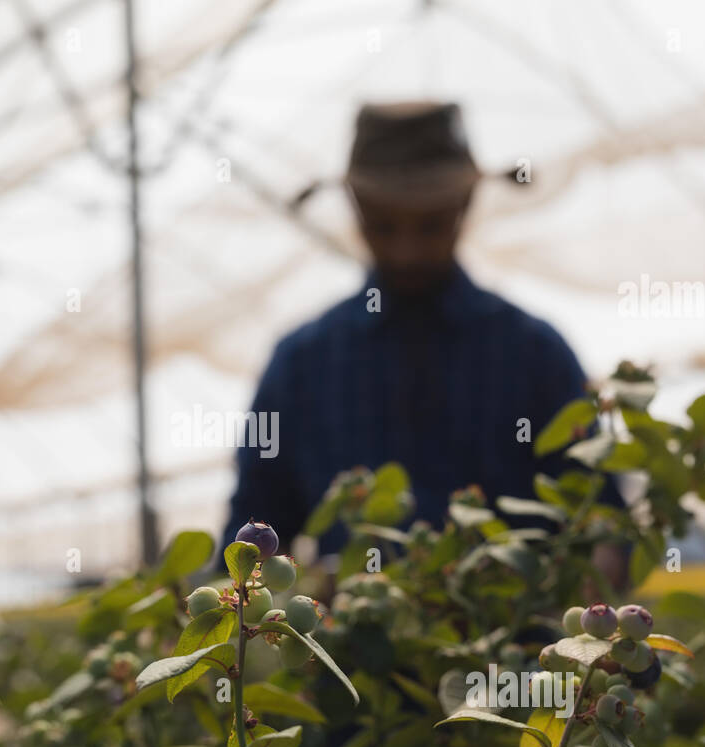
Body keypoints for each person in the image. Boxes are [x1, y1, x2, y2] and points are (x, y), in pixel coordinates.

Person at [222, 101, 623, 573]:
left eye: (430, 225)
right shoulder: (300, 366)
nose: (406, 251)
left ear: (465, 206)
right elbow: (251, 539)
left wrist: (592, 573)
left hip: (516, 645)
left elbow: (603, 523)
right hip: (346, 644)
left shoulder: (534, 354)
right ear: (355, 209)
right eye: (384, 226)